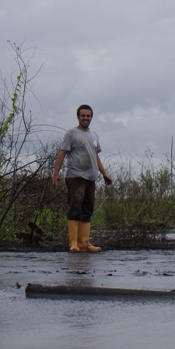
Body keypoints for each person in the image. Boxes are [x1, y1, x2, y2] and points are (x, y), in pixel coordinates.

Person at [51, 104, 112, 252]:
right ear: (78, 117)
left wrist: (104, 173)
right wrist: (56, 172)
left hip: (91, 177)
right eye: (83, 116)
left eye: (88, 116)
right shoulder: (71, 133)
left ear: (91, 117)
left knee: (87, 209)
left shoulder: (94, 135)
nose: (86, 118)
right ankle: (73, 243)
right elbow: (62, 152)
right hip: (75, 176)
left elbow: (95, 156)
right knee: (75, 208)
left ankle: (84, 243)